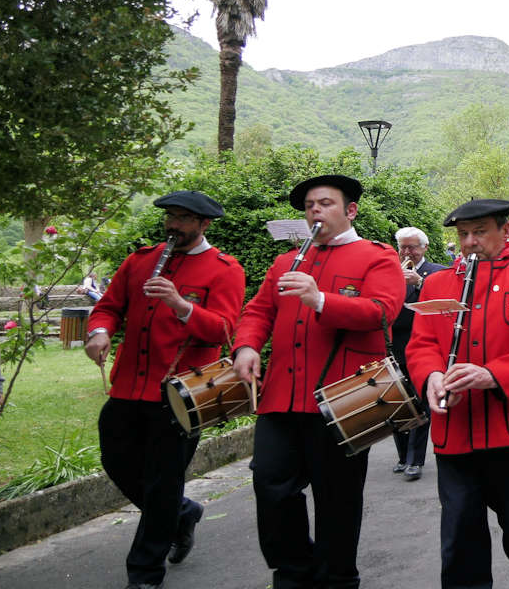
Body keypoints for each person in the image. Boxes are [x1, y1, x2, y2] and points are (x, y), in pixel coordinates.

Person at [232, 175, 405, 589]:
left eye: (325, 203)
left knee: (338, 500)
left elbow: (382, 312)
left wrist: (321, 299)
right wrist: (247, 347)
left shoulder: (376, 257)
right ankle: (293, 570)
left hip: (345, 400)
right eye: (309, 205)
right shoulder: (286, 261)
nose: (315, 211)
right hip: (281, 398)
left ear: (350, 210)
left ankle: (337, 577)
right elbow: (258, 311)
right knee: (270, 485)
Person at [406, 198, 509, 589]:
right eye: (463, 234)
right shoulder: (437, 282)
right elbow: (421, 345)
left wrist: (492, 374)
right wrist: (431, 375)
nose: (469, 242)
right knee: (459, 540)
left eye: (480, 232)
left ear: (505, 230)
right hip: (457, 431)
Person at [84, 190, 245, 589]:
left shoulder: (224, 269)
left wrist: (181, 305)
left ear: (204, 224)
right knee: (116, 460)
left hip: (182, 393)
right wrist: (100, 332)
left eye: (183, 219)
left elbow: (224, 329)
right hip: (128, 387)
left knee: (162, 481)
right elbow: (108, 306)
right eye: (171, 216)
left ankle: (144, 572)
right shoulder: (140, 260)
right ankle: (183, 514)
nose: (173, 225)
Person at [389, 226, 448, 481]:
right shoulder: (390, 272)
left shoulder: (436, 272)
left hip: (423, 347)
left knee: (420, 403)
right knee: (396, 404)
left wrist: (421, 283)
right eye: (402, 247)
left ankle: (416, 460)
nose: (407, 252)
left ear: (424, 247)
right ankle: (403, 456)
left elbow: (443, 305)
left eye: (412, 247)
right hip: (394, 345)